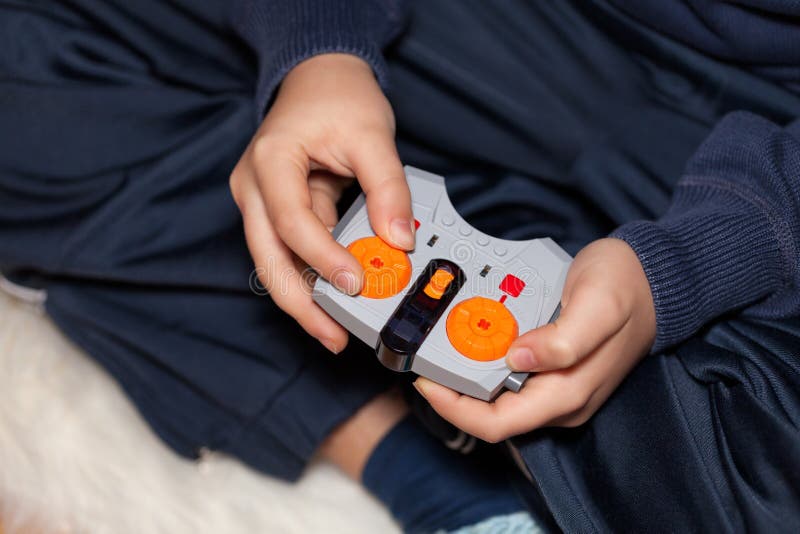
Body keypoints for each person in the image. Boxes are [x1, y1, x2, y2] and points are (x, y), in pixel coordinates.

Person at [2, 1, 799, 532]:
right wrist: (317, 48)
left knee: (729, 480)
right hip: (487, 31)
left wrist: (685, 269)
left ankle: (454, 461)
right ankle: (421, 466)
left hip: (769, 169)